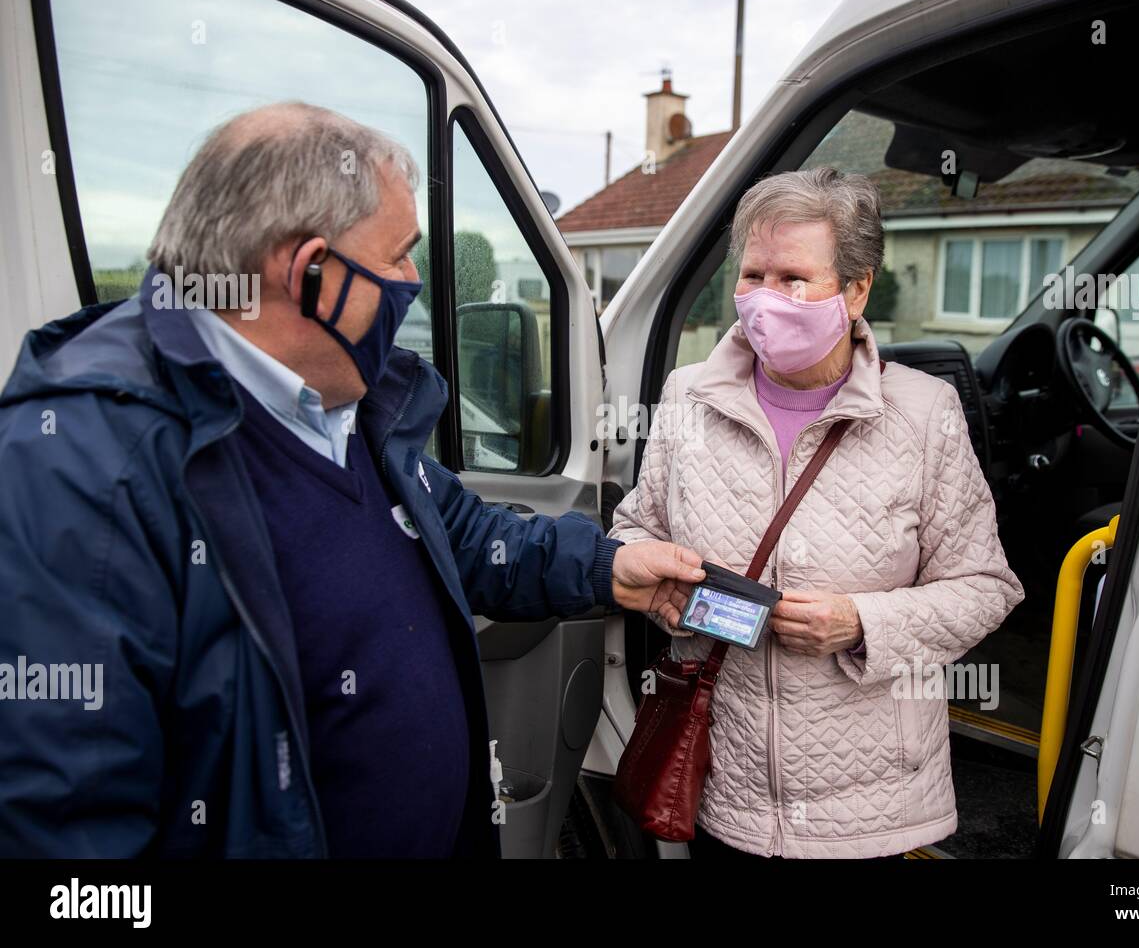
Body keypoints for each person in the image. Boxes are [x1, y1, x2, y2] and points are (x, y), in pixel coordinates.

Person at [0, 102, 704, 858]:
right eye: (399, 256)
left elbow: (459, 535)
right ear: (309, 276)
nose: (411, 280)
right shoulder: (78, 466)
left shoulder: (345, 398)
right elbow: (68, 845)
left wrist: (607, 566)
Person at [608, 167, 1025, 859]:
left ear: (857, 289)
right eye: (753, 274)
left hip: (869, 813)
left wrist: (862, 623)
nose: (767, 300)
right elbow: (636, 527)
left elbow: (986, 587)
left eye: (794, 279)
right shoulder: (687, 396)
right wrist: (660, 591)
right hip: (722, 792)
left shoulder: (923, 413)